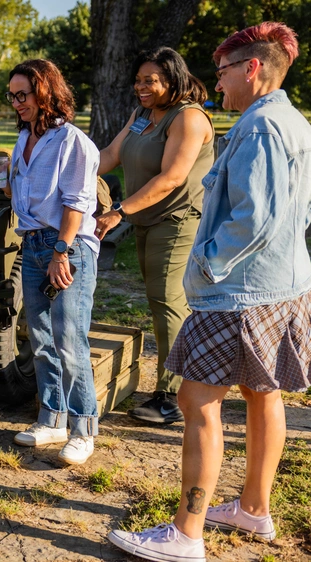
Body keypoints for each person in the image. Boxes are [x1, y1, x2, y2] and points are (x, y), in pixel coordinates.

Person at [109, 22, 311, 562]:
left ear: (251, 69)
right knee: (263, 395)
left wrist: (205, 262)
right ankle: (253, 510)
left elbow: (254, 218)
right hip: (282, 285)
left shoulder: (261, 126)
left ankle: (186, 532)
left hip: (238, 292)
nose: (215, 84)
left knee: (195, 399)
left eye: (221, 73)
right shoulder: (292, 120)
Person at [95, 47, 215, 426]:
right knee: (162, 300)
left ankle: (173, 396)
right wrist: (63, 171)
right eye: (138, 80)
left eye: (150, 80)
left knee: (167, 301)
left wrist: (119, 211)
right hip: (147, 219)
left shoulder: (189, 118)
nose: (141, 87)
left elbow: (172, 177)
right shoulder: (143, 113)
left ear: (172, 79)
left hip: (177, 220)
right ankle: (180, 382)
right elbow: (111, 154)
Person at [0, 59, 100, 465]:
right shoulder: (22, 139)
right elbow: (19, 197)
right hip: (33, 243)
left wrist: (61, 251)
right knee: (40, 338)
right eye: (12, 96)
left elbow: (77, 203)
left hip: (66, 246)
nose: (16, 102)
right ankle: (52, 417)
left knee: (70, 340)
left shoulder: (72, 141)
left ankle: (83, 429)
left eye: (22, 95)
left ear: (45, 93)